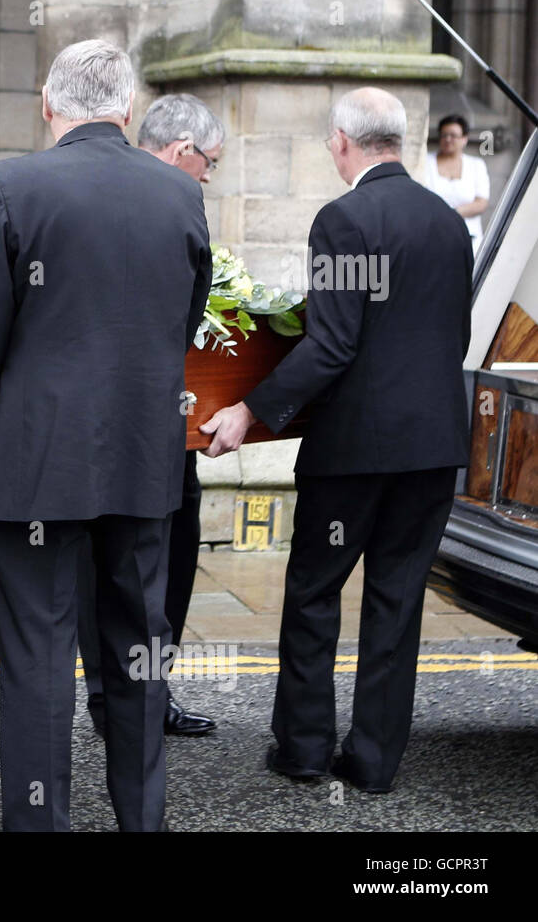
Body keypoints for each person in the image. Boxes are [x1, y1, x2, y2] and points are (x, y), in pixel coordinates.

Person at [0, 40, 212, 832]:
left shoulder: (9, 186)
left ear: (49, 106)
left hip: (33, 462)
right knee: (138, 654)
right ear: (126, 107)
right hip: (143, 459)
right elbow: (183, 321)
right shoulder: (179, 196)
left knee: (38, 661)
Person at [200, 87, 473, 793]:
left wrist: (249, 412)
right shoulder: (447, 223)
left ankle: (304, 748)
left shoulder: (345, 219)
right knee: (397, 602)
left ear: (342, 142)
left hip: (356, 452)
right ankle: (375, 762)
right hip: (436, 445)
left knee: (316, 593)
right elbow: (451, 336)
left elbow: (332, 345)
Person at [77, 92, 221, 738]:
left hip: (161, 423)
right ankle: (117, 698)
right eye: (208, 162)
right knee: (117, 570)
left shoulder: (177, 197)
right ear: (181, 150)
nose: (210, 177)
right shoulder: (163, 197)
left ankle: (146, 691)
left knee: (169, 561)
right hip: (119, 422)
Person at [422, 114, 490, 253]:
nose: (448, 139)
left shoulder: (476, 165)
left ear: (464, 139)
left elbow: (481, 203)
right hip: (433, 237)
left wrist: (451, 214)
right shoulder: (425, 162)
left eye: (453, 135)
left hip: (470, 239)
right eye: (444, 135)